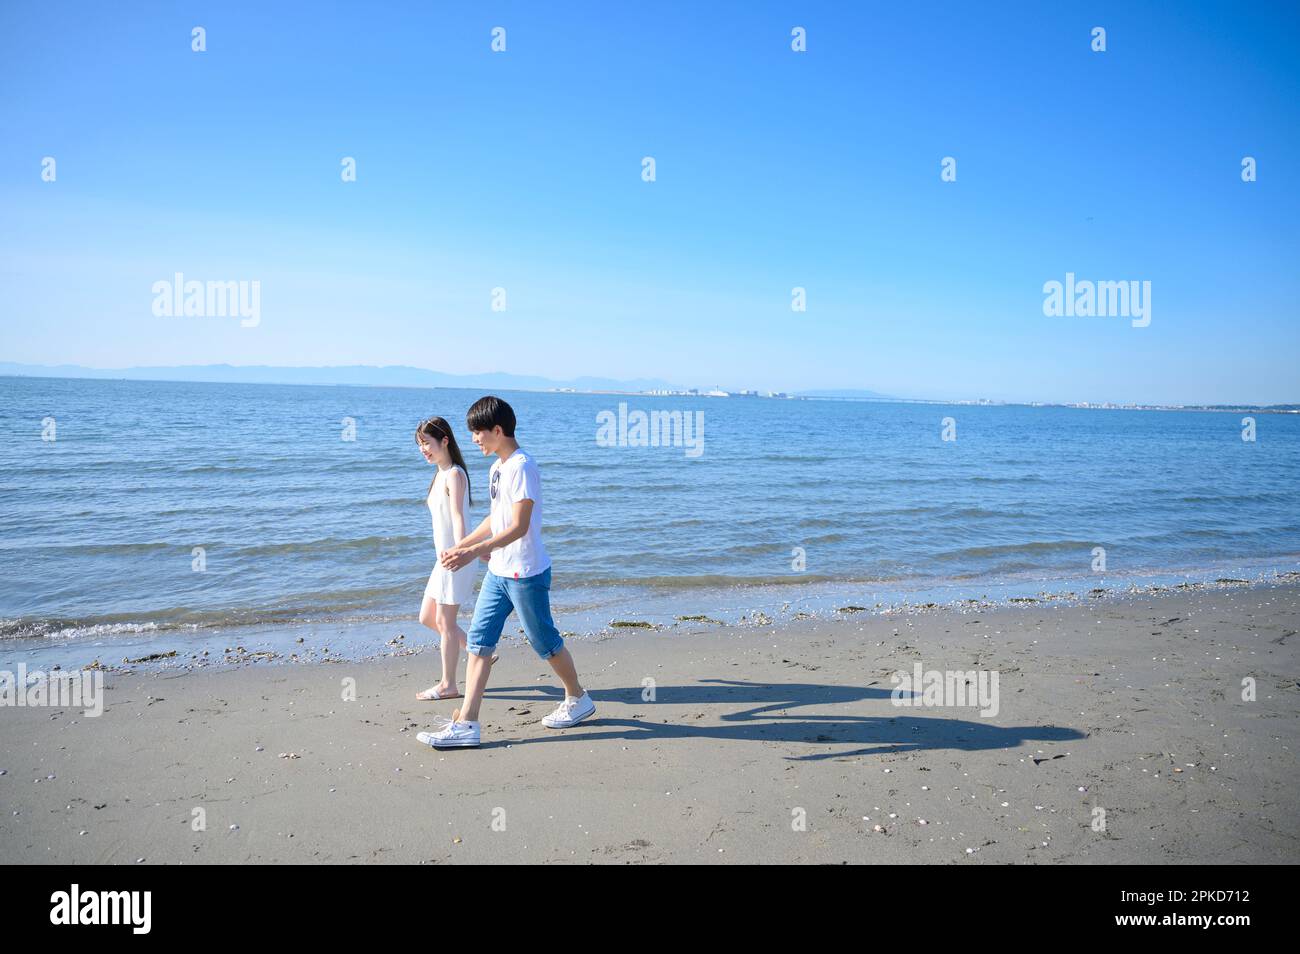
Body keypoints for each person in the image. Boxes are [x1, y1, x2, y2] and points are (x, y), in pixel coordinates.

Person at [417, 396, 594, 749]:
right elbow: (494, 519)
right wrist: (464, 545)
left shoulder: (522, 467)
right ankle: (467, 723)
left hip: (525, 573)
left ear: (497, 430)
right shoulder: (497, 467)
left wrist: (472, 551)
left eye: (478, 433)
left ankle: (577, 697)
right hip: (499, 573)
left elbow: (518, 527)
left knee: (544, 642)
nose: (473, 439)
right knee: (480, 643)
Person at [412, 416, 486, 701]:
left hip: (454, 558)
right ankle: (476, 652)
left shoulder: (454, 474)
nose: (423, 450)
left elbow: (458, 518)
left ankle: (448, 685)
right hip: (442, 560)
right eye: (420, 445)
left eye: (427, 443)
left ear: (445, 440)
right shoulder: (440, 474)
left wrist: (463, 550)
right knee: (427, 617)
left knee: (445, 622)